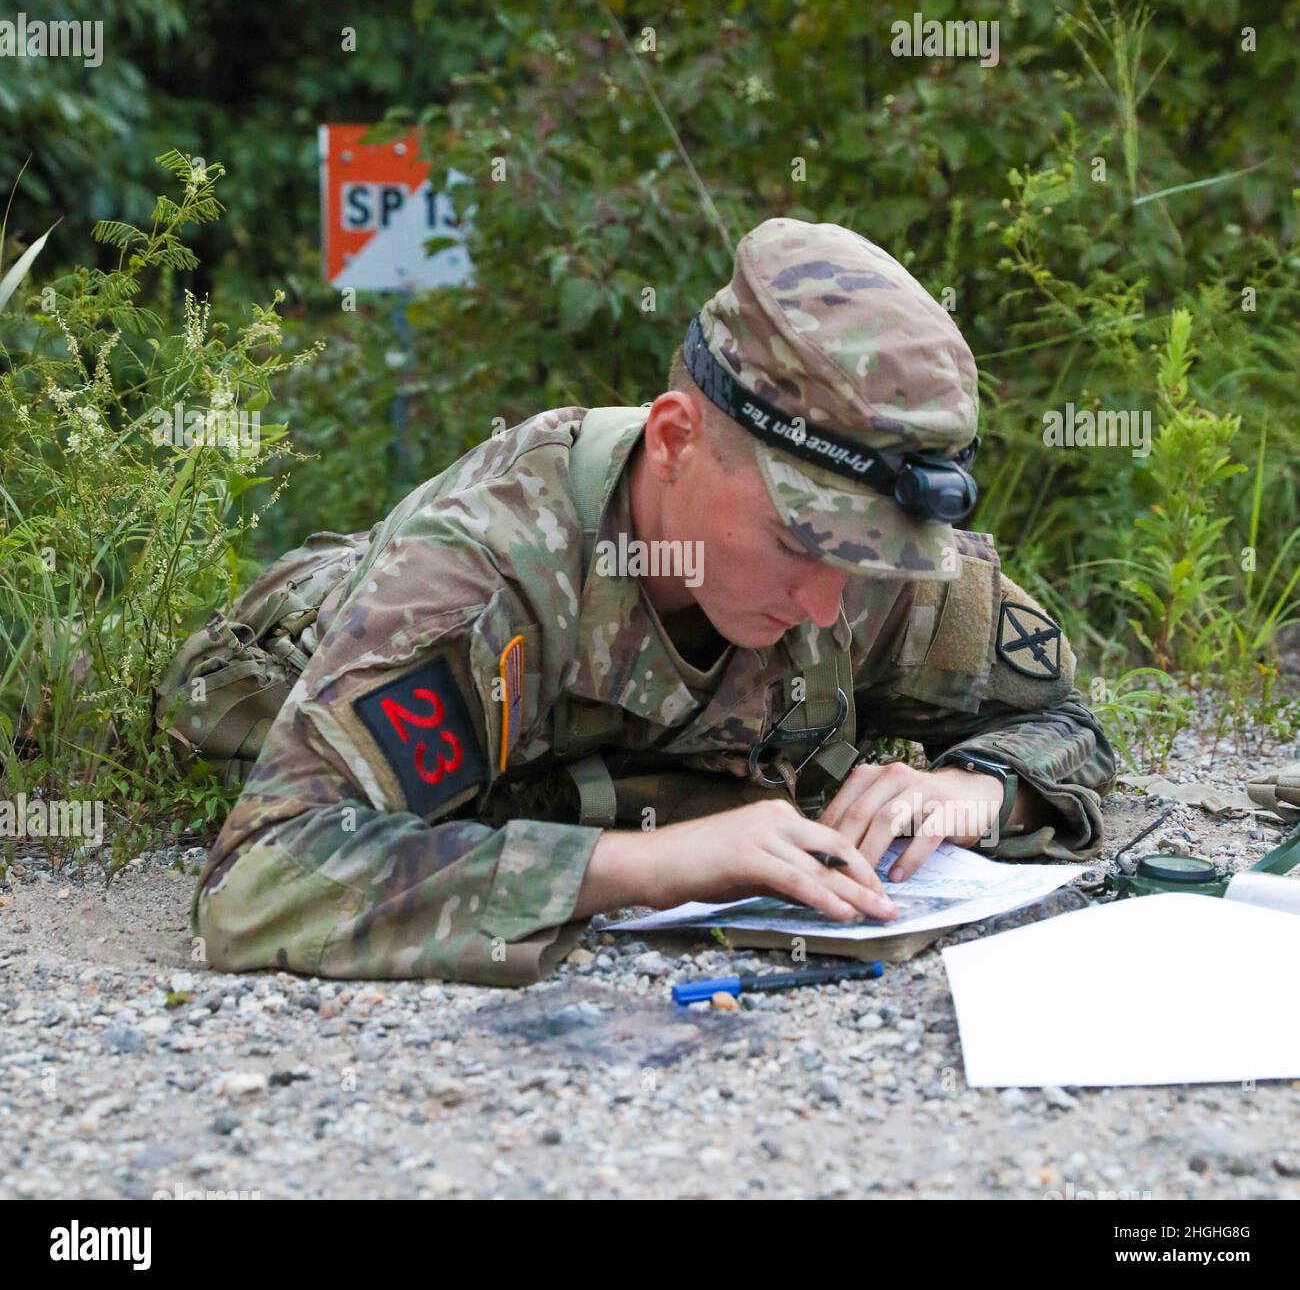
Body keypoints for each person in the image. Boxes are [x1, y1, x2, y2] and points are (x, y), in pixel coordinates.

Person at [156, 217, 1116, 986]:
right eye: (799, 542)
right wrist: (655, 865)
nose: (830, 605)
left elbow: (1063, 717)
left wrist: (968, 791)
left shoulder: (864, 572)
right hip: (299, 642)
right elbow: (262, 881)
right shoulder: (484, 582)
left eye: (866, 561)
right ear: (673, 441)